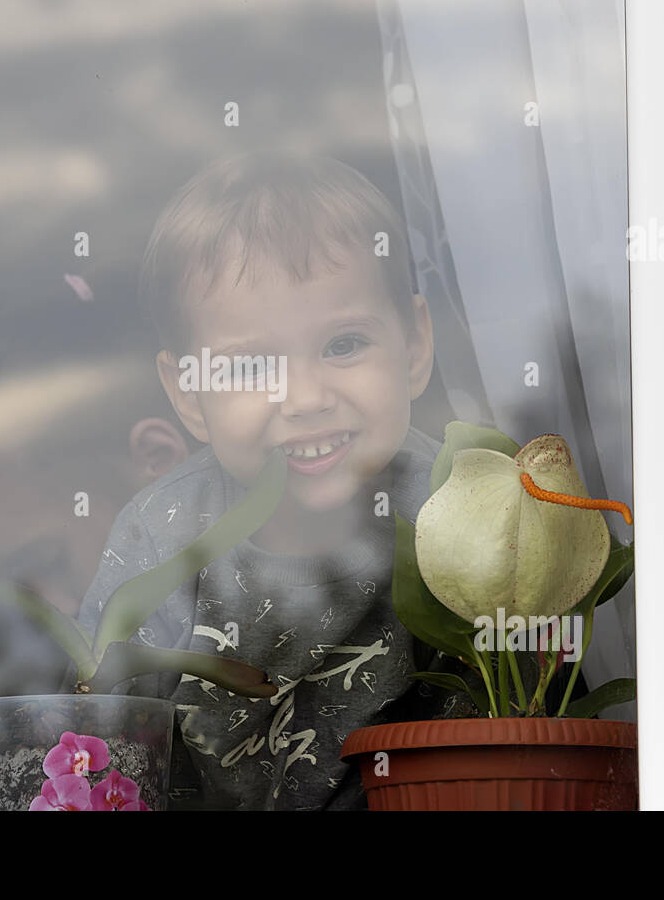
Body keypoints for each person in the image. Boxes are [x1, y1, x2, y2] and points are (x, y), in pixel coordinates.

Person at [68, 149, 461, 810]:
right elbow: (100, 740)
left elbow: (517, 726)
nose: (304, 396)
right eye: (249, 369)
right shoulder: (163, 532)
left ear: (416, 347)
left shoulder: (453, 511)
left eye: (343, 345)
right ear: (189, 394)